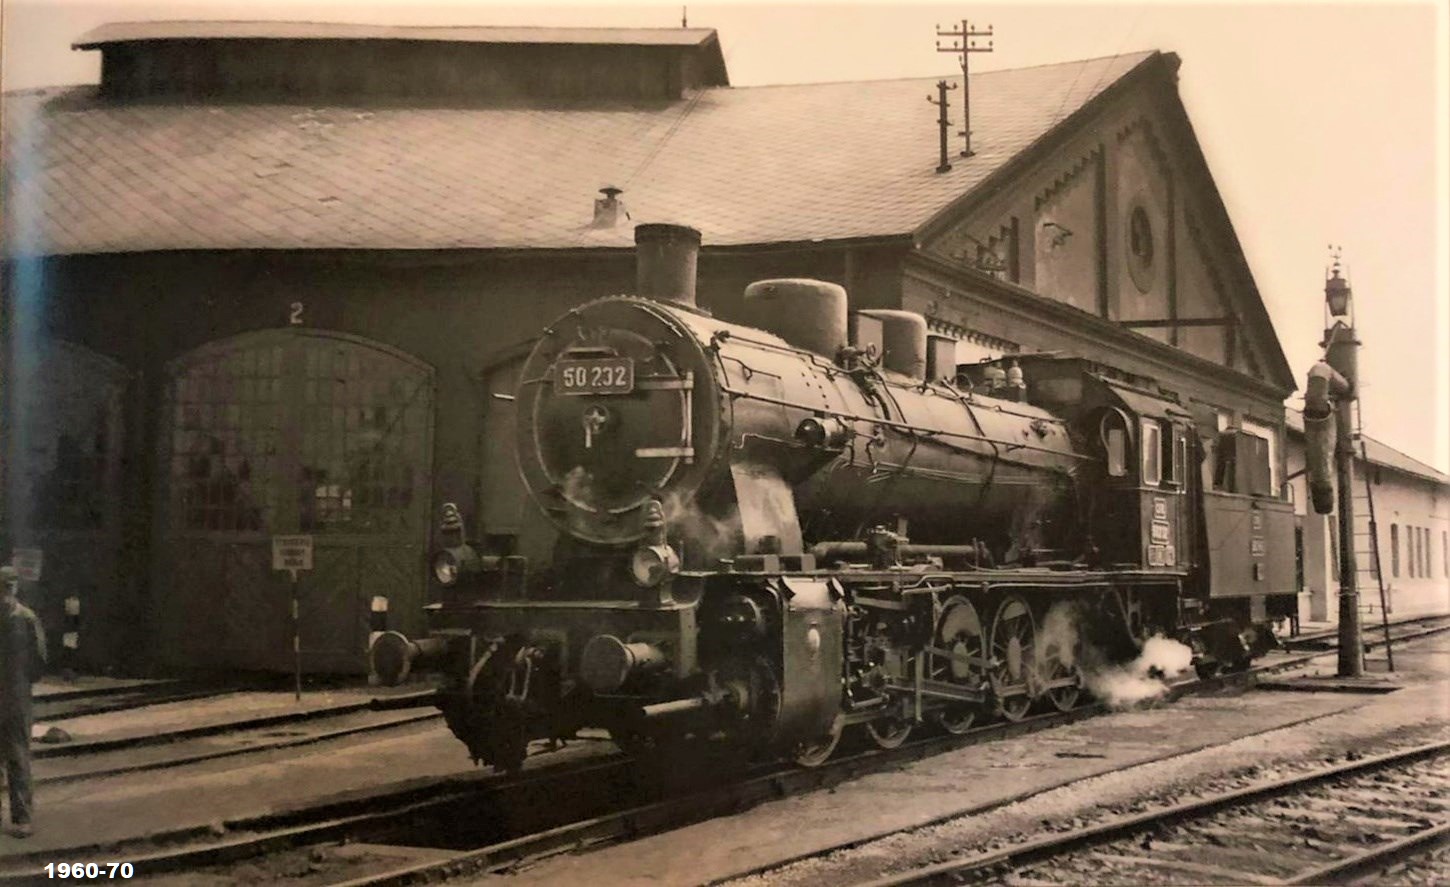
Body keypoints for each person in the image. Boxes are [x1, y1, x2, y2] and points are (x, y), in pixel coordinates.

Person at [0, 564, 45, 838]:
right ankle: (22, 819)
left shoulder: (25, 618)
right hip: (17, 699)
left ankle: (17, 818)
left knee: (15, 758)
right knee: (18, 759)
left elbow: (38, 661)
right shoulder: (27, 617)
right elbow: (40, 660)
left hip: (13, 700)